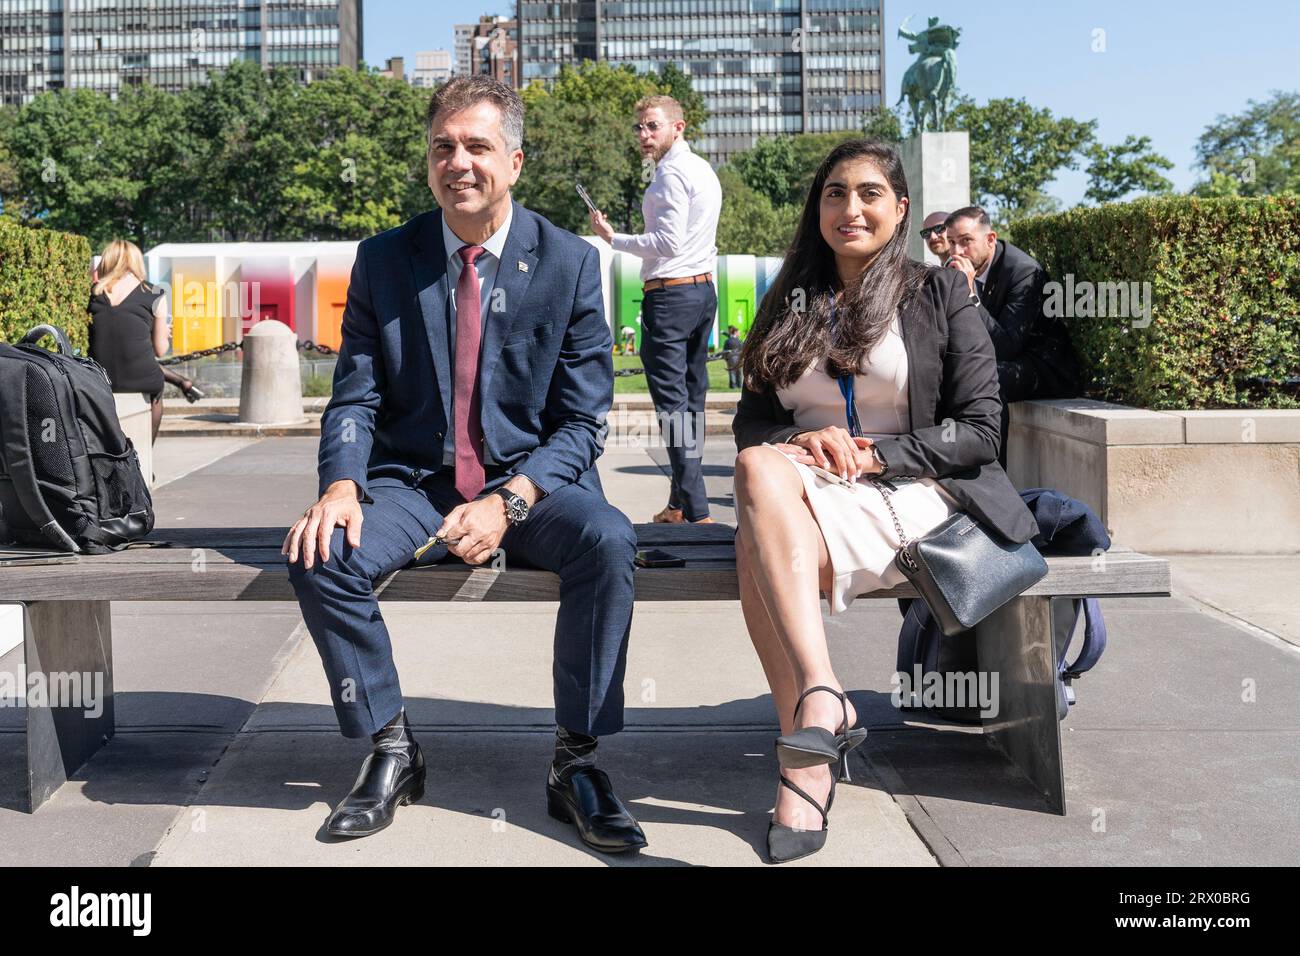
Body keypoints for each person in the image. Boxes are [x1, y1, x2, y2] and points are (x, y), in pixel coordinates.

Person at [281, 76, 646, 854]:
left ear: (513, 160)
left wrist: (509, 502)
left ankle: (575, 761)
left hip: (533, 482)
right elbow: (355, 398)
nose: (459, 162)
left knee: (609, 542)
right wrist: (341, 483)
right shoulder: (385, 259)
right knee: (321, 553)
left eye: (478, 146)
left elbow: (583, 423)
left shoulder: (572, 263)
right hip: (414, 481)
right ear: (428, 163)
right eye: (443, 147)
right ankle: (392, 748)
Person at [730, 140, 1037, 864]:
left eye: (870, 193)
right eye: (834, 193)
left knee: (755, 536)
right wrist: (804, 442)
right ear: (818, 208)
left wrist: (876, 452)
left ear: (901, 209)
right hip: (802, 488)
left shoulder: (940, 292)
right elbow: (753, 424)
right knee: (757, 467)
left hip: (916, 490)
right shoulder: (789, 297)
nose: (850, 208)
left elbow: (982, 431)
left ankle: (807, 748)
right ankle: (818, 706)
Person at [588, 94, 722, 525]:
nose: (644, 135)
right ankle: (680, 504)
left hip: (671, 296)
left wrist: (613, 238)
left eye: (653, 126)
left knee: (672, 408)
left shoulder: (669, 175)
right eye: (640, 127)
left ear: (677, 127)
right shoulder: (702, 169)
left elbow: (667, 243)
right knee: (692, 404)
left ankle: (698, 513)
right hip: (702, 294)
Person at [944, 206, 1079, 462]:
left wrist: (969, 294)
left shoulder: (1024, 272)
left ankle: (992, 474)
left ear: (990, 239)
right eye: (951, 242)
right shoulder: (956, 267)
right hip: (999, 361)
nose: (956, 251)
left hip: (1045, 367)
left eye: (965, 241)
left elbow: (1006, 346)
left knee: (984, 377)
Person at [87, 239, 201, 447]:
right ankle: (145, 455)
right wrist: (165, 332)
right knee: (155, 391)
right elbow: (159, 349)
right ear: (137, 262)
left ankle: (181, 381)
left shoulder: (91, 293)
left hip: (99, 377)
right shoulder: (154, 293)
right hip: (141, 379)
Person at [723, 324, 743, 389]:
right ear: (735, 332)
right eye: (738, 332)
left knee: (732, 372)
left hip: (730, 357)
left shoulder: (728, 341)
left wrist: (725, 358)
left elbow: (724, 351)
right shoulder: (739, 341)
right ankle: (739, 385)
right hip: (738, 357)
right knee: (739, 372)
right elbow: (742, 349)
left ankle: (733, 385)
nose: (739, 334)